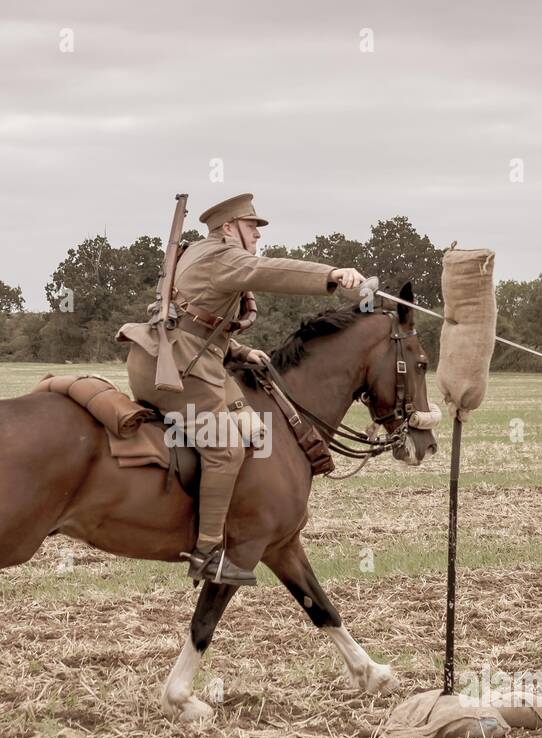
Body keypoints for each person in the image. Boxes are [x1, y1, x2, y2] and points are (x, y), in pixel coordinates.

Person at [117, 192, 367, 585]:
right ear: (230, 228)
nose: (258, 236)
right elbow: (268, 271)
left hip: (182, 359)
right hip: (176, 371)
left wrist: (238, 350)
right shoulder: (223, 256)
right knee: (226, 448)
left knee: (253, 427)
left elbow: (193, 319)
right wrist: (331, 274)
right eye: (253, 227)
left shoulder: (201, 252)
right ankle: (207, 552)